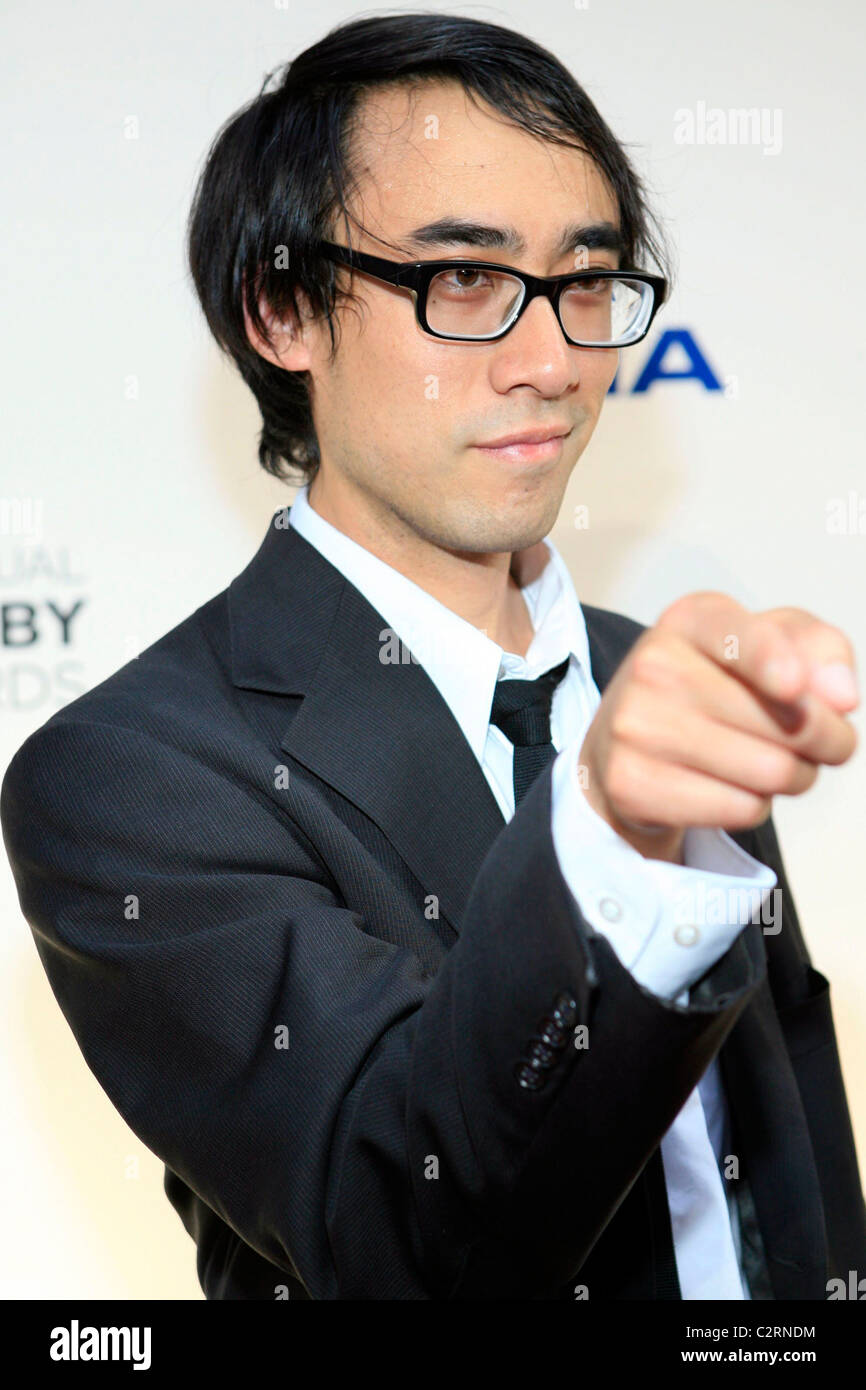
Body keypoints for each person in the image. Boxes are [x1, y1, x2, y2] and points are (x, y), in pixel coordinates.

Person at [2, 12, 864, 1301]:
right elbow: (397, 1232)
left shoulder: (658, 685)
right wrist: (606, 838)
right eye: (462, 281)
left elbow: (782, 1166)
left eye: (586, 281)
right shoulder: (129, 777)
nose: (550, 359)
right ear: (283, 309)